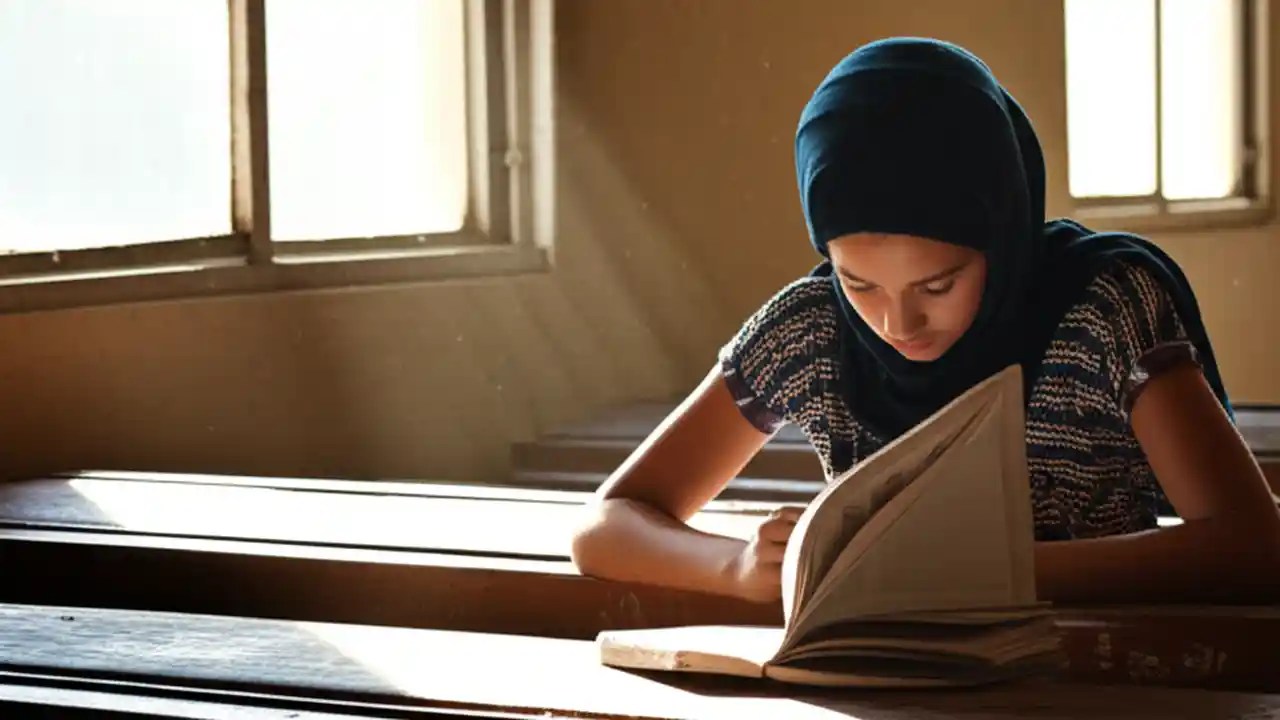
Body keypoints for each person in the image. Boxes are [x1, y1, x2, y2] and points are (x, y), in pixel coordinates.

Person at [570, 37, 1280, 605]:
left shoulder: (1104, 311)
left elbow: (1251, 543)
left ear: (1000, 237)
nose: (895, 321)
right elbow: (606, 525)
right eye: (859, 283)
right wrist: (737, 568)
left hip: (1099, 677)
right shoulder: (812, 330)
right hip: (884, 686)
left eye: (938, 284)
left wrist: (993, 576)